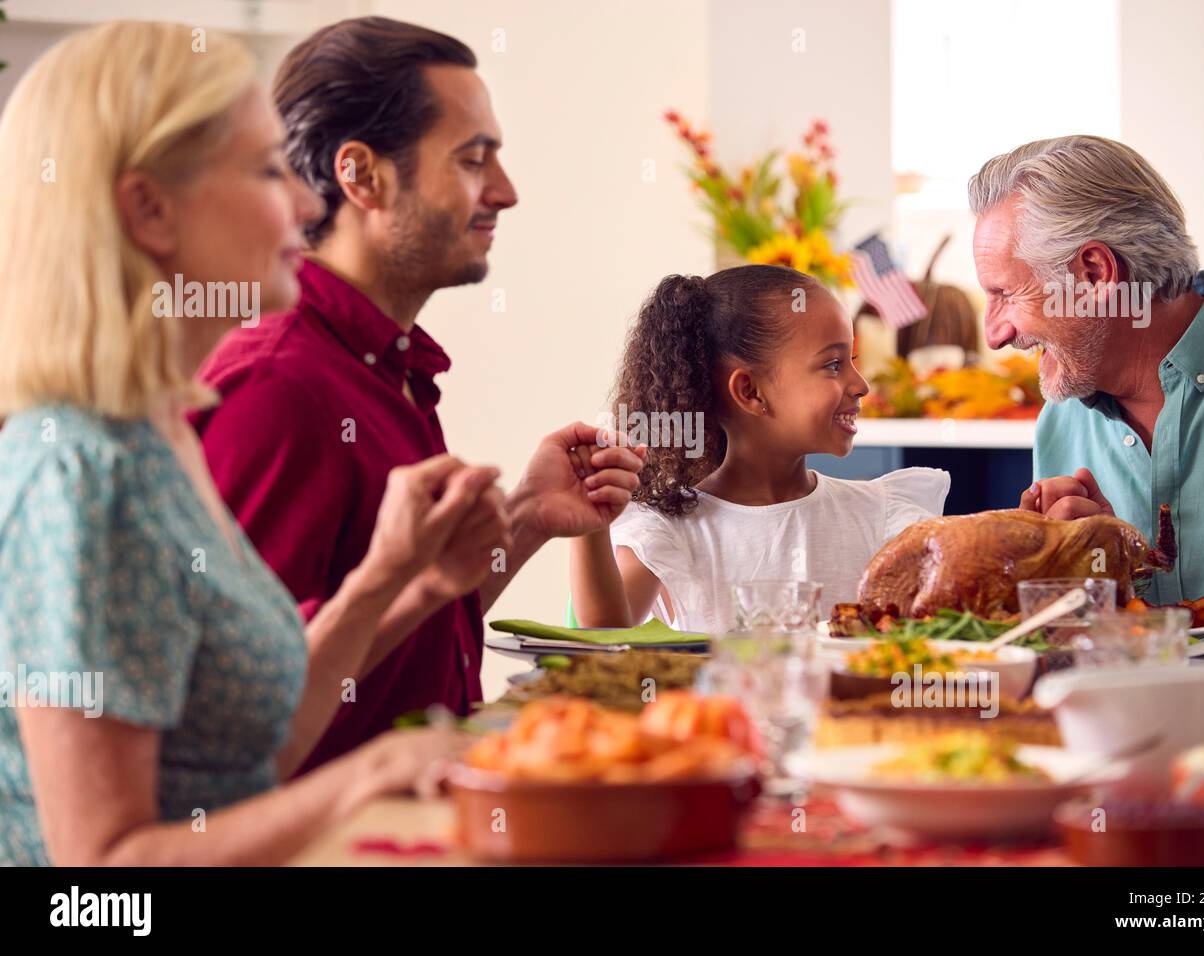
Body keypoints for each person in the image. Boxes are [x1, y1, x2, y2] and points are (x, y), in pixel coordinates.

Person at [0, 21, 507, 866]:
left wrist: (396, 580)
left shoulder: (163, 433)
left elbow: (237, 767)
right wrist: (370, 771)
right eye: (269, 170)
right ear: (149, 210)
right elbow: (98, 876)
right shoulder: (80, 471)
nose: (309, 205)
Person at [193, 17, 645, 771]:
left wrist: (527, 517)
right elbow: (241, 709)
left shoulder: (388, 367)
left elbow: (398, 633)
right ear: (361, 175)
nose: (505, 191)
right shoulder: (278, 385)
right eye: (473, 160)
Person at [969, 135, 1204, 620]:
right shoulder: (1060, 423)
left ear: (1096, 274)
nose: (994, 334)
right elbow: (1083, 650)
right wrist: (1105, 581)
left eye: (1007, 294)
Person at [570, 265, 951, 634]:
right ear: (751, 392)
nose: (861, 384)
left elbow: (941, 619)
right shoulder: (674, 530)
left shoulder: (878, 513)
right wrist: (589, 526)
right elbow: (606, 633)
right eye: (833, 365)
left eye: (851, 361)